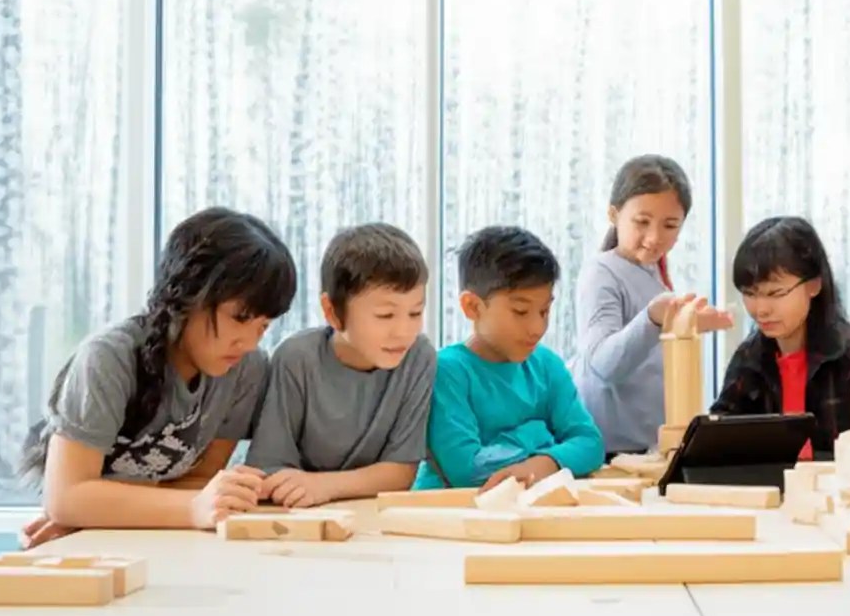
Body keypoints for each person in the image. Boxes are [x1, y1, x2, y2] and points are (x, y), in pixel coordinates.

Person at [17, 207, 297, 547]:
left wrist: (99, 513)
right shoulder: (108, 358)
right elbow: (66, 497)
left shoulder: (247, 369)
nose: (250, 341)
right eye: (240, 318)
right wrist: (84, 512)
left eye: (264, 326)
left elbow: (200, 481)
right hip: (84, 547)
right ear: (186, 295)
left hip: (151, 538)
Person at [246, 223, 436, 507]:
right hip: (296, 516)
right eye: (385, 315)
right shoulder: (297, 358)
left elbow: (400, 472)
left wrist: (323, 485)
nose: (404, 331)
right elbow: (268, 468)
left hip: (371, 518)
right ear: (332, 312)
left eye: (415, 313)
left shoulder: (419, 356)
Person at [416, 226, 604, 490]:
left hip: (520, 510)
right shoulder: (446, 371)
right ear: (473, 306)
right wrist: (540, 435)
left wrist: (543, 463)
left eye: (545, 311)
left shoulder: (547, 365)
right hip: (447, 514)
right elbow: (468, 471)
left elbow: (591, 443)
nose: (537, 328)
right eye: (520, 311)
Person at [570, 154, 731, 457]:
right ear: (613, 214)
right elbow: (604, 365)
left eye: (670, 225)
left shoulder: (655, 273)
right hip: (609, 454)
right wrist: (654, 317)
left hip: (649, 448)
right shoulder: (601, 272)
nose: (655, 238)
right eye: (642, 222)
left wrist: (688, 321)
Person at [712, 216, 850, 459]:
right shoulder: (749, 358)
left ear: (813, 285)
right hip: (767, 493)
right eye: (750, 294)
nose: (761, 309)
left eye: (775, 293)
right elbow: (719, 439)